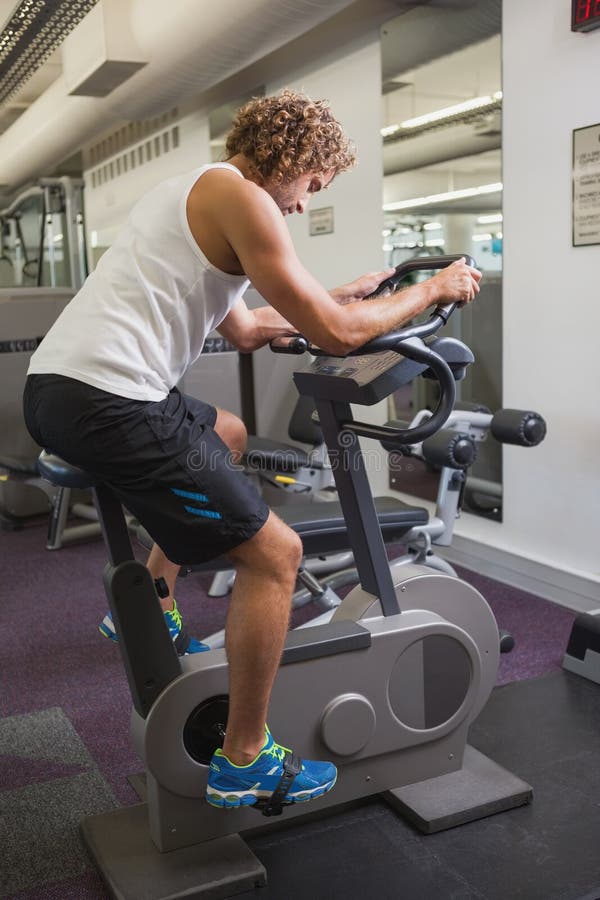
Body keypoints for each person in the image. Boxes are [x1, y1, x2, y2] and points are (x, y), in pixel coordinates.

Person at [23, 90, 481, 811]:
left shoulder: (194, 191)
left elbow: (242, 328)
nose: (303, 204)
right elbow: (333, 334)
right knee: (276, 556)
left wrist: (344, 296)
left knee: (227, 432)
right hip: (112, 403)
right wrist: (430, 291)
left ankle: (158, 599)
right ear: (297, 159)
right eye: (312, 186)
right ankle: (244, 759)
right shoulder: (246, 200)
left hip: (60, 389)